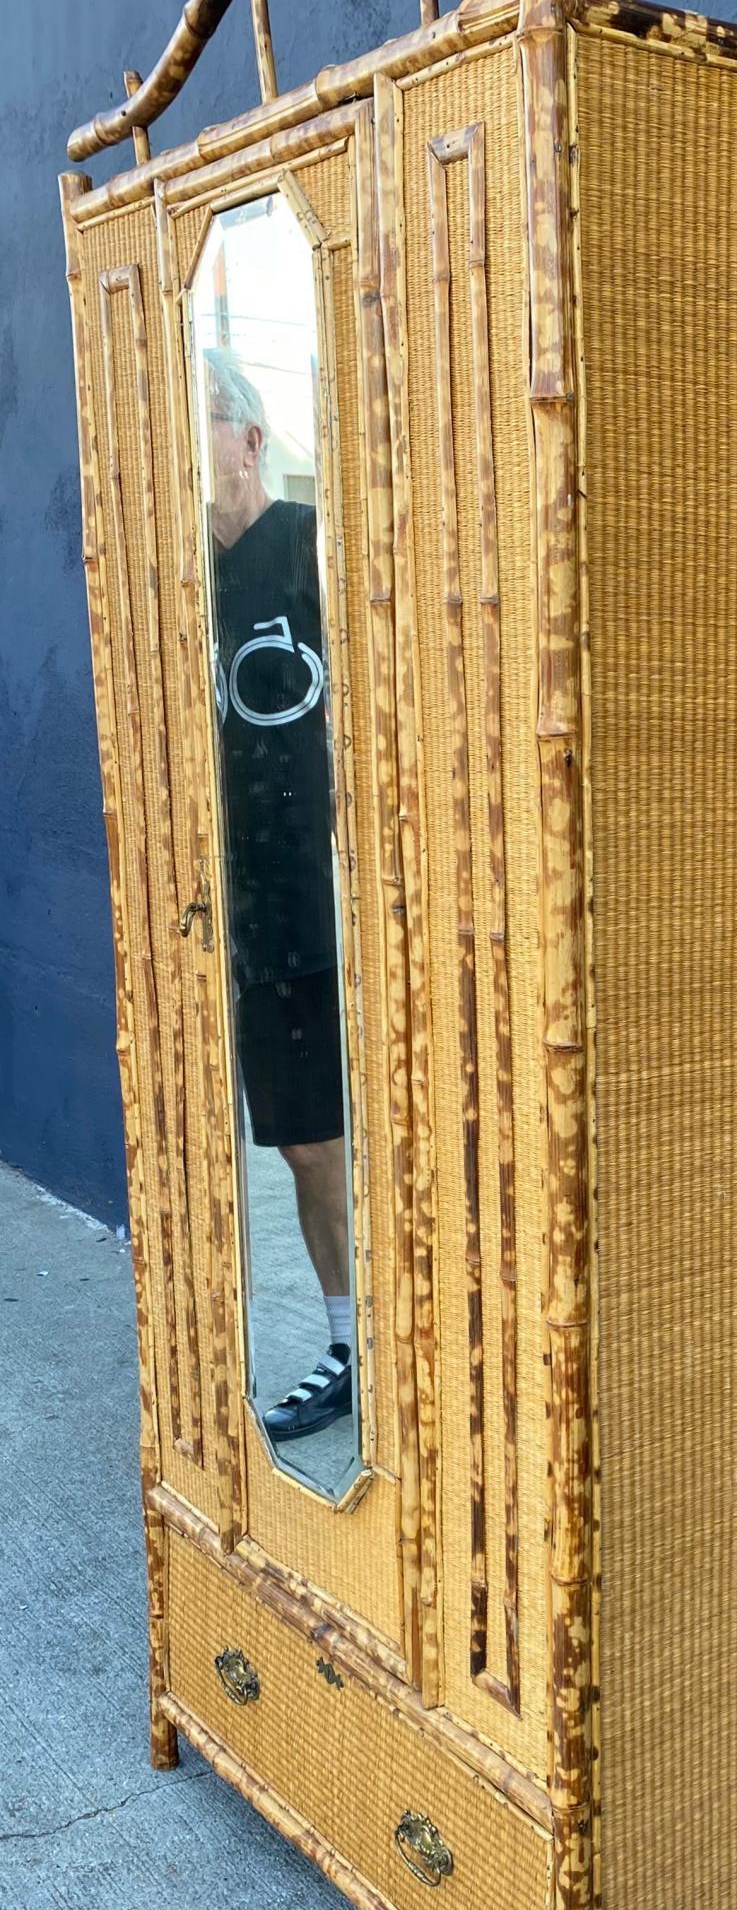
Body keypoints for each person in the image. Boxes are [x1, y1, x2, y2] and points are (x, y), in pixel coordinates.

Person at [204, 348, 352, 1440]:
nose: (186, 445)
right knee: (297, 1143)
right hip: (222, 909)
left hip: (323, 894)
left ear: (251, 440)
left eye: (199, 418)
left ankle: (373, 1344)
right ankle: (354, 1343)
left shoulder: (312, 550)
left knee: (337, 1138)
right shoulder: (174, 582)